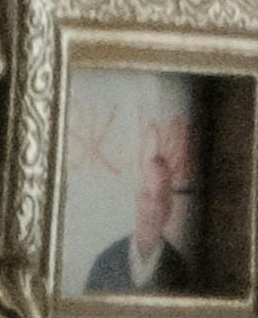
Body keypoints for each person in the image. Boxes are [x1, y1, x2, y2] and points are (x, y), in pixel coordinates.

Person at [81, 83, 203, 298]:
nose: (152, 207)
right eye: (147, 195)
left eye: (161, 198)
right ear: (137, 200)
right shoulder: (105, 264)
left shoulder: (182, 272)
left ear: (168, 209)